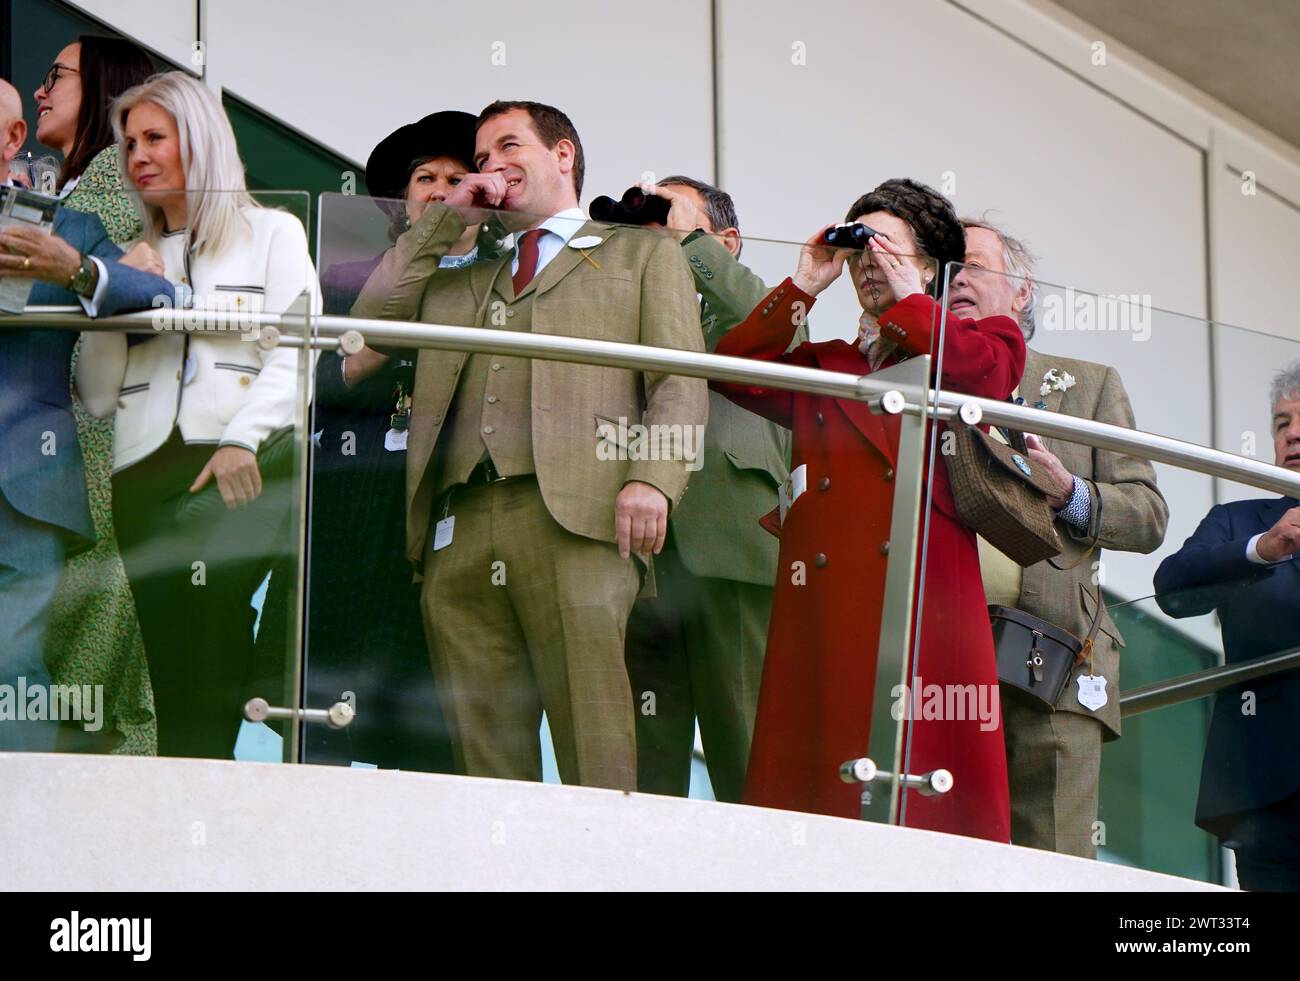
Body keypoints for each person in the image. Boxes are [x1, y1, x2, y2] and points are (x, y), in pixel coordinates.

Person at [352, 100, 707, 791]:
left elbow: (679, 380)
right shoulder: (460, 280)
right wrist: (452, 214)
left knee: (596, 745)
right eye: (481, 158)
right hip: (458, 530)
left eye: (508, 146)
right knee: (484, 767)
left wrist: (654, 479)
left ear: (563, 154)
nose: (492, 166)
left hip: (580, 521)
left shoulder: (639, 253)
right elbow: (372, 322)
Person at [712, 178, 1024, 841]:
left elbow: (987, 376)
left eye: (883, 247)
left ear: (931, 266)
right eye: (860, 249)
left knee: (934, 801)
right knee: (816, 796)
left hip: (926, 600)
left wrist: (913, 295)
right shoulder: (829, 365)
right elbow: (734, 369)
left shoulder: (978, 341)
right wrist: (805, 281)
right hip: (823, 608)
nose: (867, 263)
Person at [75, 72, 318, 759]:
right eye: (129, 143)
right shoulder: (128, 253)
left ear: (200, 140)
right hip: (143, 475)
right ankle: (190, 799)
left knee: (211, 631)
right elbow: (96, 395)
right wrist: (117, 290)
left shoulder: (271, 232)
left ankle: (209, 791)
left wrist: (243, 439)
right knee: (171, 652)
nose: (138, 155)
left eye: (156, 137)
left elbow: (298, 351)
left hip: (237, 460)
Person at [955, 217, 1169, 857]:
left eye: (972, 263)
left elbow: (1149, 515)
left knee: (1051, 863)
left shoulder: (1090, 383)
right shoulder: (919, 379)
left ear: (1021, 293)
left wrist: (1069, 492)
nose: (956, 276)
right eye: (946, 266)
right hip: (941, 654)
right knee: (946, 858)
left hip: (1057, 660)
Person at [306, 110, 489, 771]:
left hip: (445, 517)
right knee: (323, 723)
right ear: (400, 197)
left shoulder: (497, 283)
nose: (440, 191)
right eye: (424, 178)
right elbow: (315, 380)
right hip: (350, 508)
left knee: (427, 739)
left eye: (456, 178)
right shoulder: (344, 277)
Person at [0, 78, 179, 752]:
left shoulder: (66, 226)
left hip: (19, 486)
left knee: (10, 670)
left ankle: (22, 847)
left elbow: (163, 298)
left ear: (14, 139)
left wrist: (76, 269)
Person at [623, 176, 794, 801]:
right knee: (643, 770)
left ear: (727, 241)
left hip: (733, 552)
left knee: (750, 762)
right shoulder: (624, 303)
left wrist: (688, 247)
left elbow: (777, 322)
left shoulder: (754, 311)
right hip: (634, 555)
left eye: (668, 213)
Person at [33, 34, 159, 756]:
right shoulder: (77, 181)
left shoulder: (112, 169)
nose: (43, 88)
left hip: (91, 454)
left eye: (57, 75)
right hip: (79, 454)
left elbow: (133, 278)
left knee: (93, 681)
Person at [1154, 361, 1300, 890]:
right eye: (1282, 423)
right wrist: (1263, 550)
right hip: (1268, 789)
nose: (1294, 433)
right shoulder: (1241, 522)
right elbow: (1172, 589)